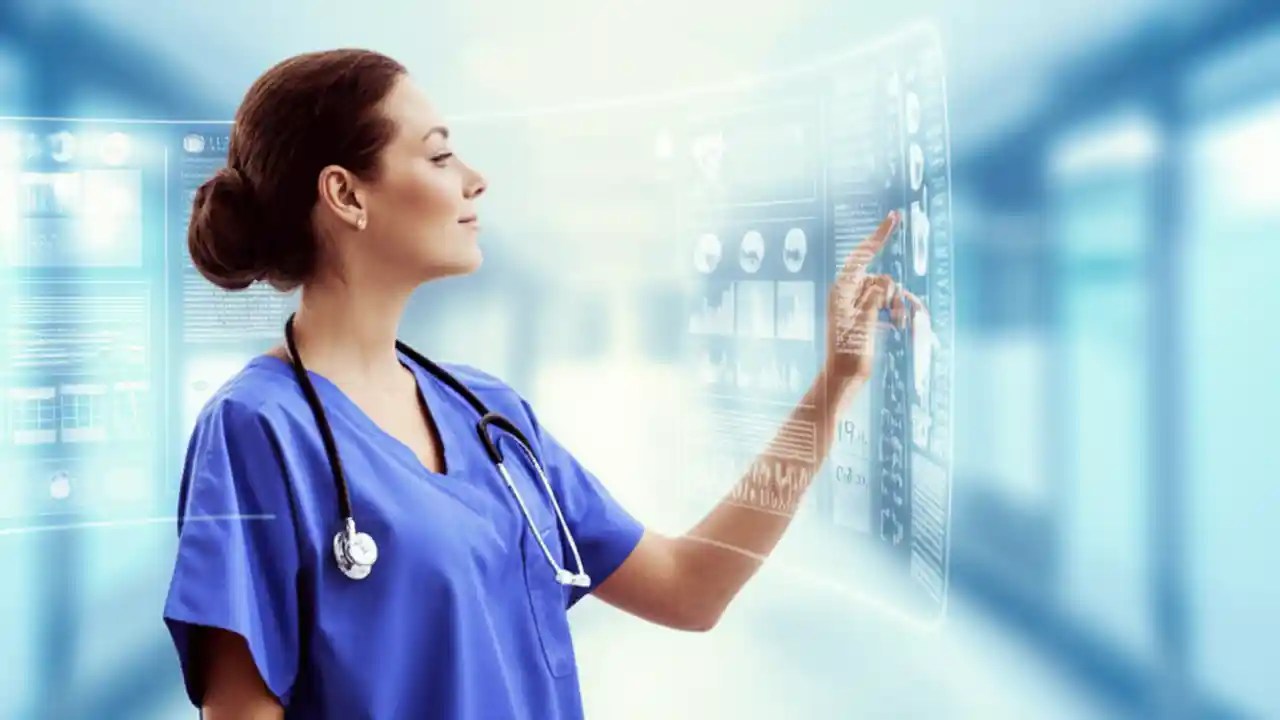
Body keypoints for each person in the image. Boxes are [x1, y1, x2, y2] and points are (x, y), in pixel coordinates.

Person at [162, 48, 917, 720]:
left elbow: (690, 588)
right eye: (439, 156)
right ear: (347, 195)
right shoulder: (256, 429)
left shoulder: (490, 415)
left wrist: (835, 386)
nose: (475, 179)